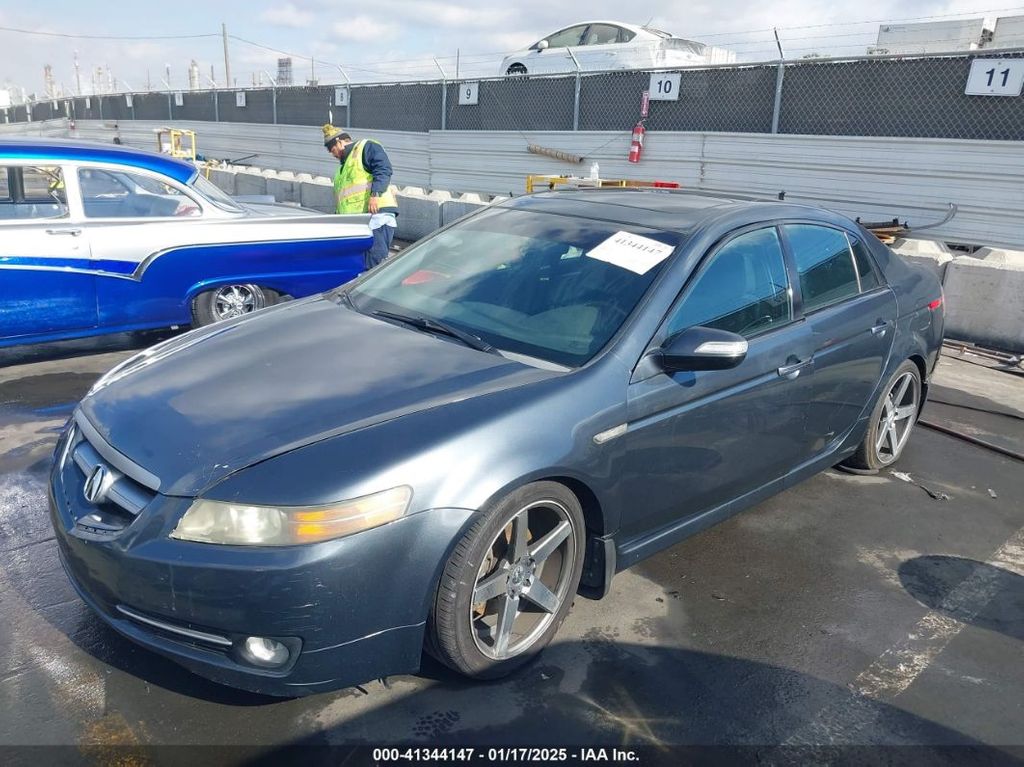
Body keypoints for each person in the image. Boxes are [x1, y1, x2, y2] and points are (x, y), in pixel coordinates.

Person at [323, 125, 399, 270]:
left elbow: (384, 169)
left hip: (376, 216)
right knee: (362, 265)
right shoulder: (342, 170)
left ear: (340, 142)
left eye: (332, 149)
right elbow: (343, 201)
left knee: (374, 263)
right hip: (359, 222)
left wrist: (375, 195)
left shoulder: (365, 147)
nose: (332, 154)